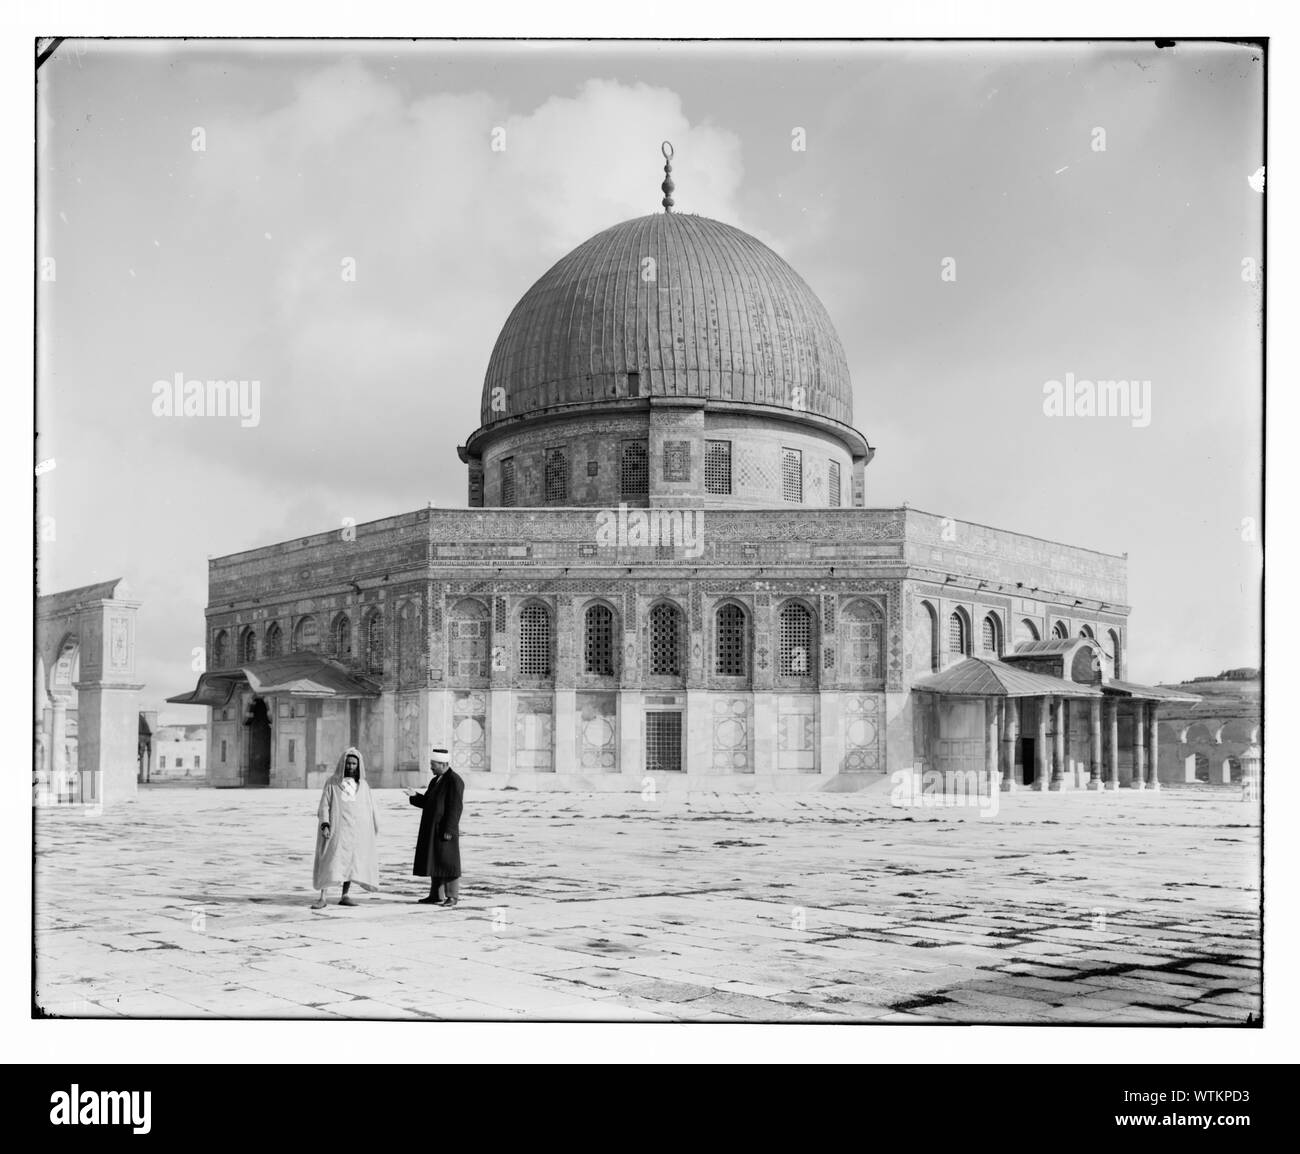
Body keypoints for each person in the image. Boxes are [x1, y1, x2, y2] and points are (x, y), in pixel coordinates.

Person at [311, 747, 380, 911]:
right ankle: (323, 897)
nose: (350, 767)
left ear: (359, 765)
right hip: (336, 830)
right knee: (329, 861)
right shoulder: (333, 782)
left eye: (354, 764)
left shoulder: (362, 785)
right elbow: (325, 805)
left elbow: (368, 809)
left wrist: (370, 829)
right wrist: (325, 824)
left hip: (354, 833)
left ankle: (345, 895)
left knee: (350, 863)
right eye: (348, 763)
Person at [404, 746, 464, 907]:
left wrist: (449, 830)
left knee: (448, 863)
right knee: (435, 861)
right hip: (432, 829)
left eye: (433, 764)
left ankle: (452, 896)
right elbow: (428, 803)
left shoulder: (454, 780)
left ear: (443, 764)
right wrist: (415, 796)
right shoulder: (435, 780)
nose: (430, 767)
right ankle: (436, 895)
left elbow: (455, 808)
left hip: (444, 830)